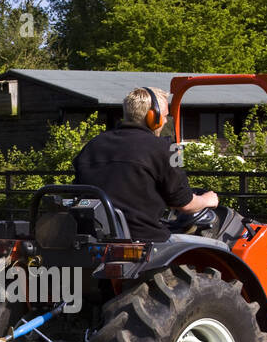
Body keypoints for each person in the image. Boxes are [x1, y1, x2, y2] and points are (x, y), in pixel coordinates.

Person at [72, 86, 218, 241]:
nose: (165, 122)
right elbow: (185, 204)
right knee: (218, 246)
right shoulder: (167, 148)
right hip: (144, 240)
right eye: (165, 116)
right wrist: (207, 199)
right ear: (153, 117)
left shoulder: (92, 145)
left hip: (94, 238)